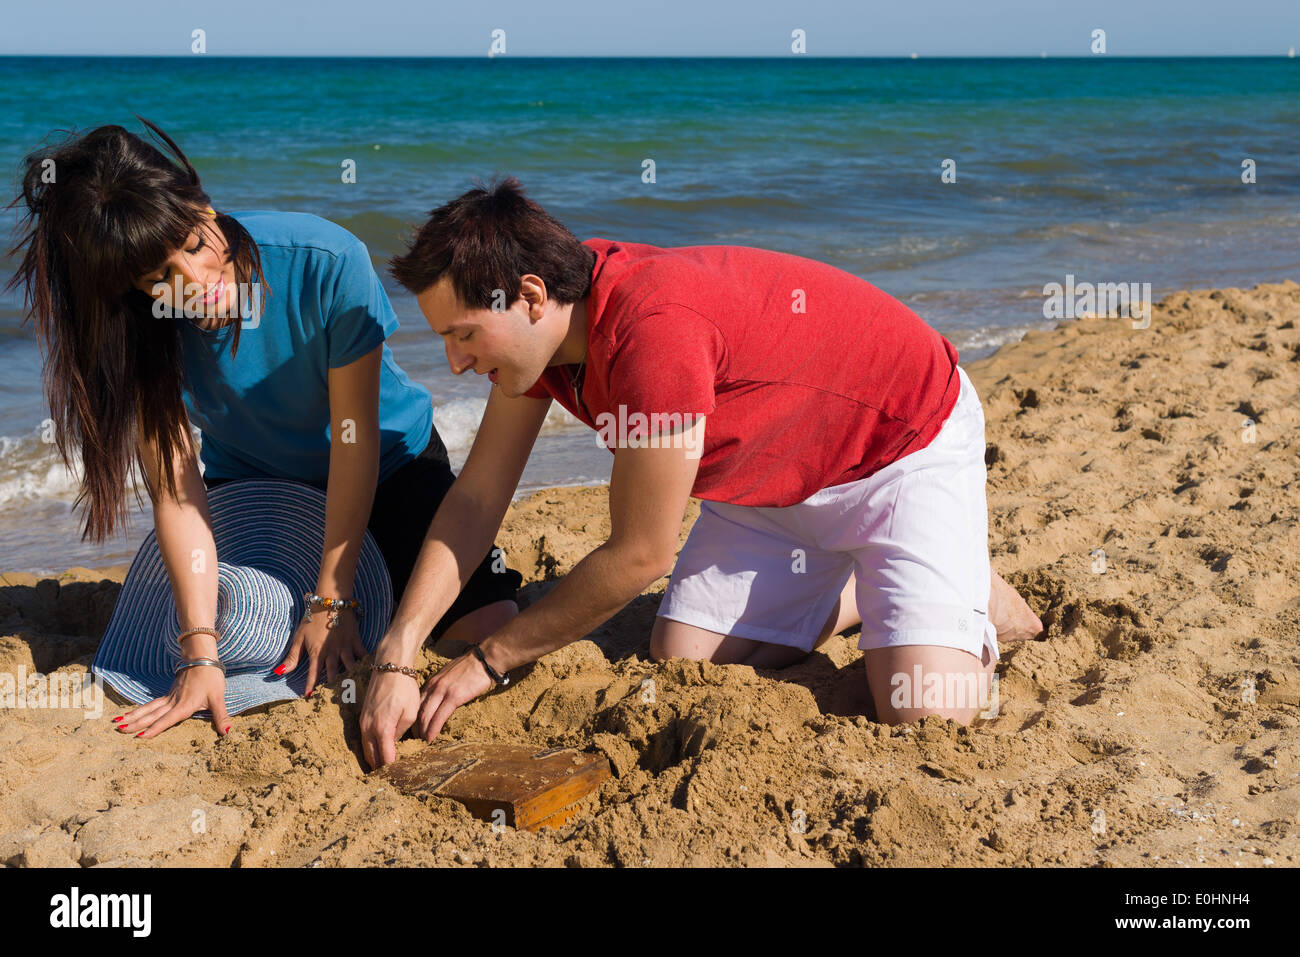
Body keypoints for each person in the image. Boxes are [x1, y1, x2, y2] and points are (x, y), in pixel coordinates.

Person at [358, 176, 1045, 768]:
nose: (454, 361)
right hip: (772, 484)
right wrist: (399, 650)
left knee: (922, 710)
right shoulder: (543, 343)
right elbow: (477, 498)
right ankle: (882, 580)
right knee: (683, 650)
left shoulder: (650, 330)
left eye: (463, 334)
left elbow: (640, 554)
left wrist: (489, 661)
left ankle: (960, 583)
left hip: (900, 450)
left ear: (531, 295)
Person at [6, 120, 522, 739]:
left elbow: (352, 444)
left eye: (196, 245)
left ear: (204, 204)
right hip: (257, 489)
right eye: (158, 277)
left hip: (385, 467)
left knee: (484, 624)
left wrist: (333, 599)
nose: (195, 283)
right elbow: (176, 489)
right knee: (243, 624)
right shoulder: (141, 328)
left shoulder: (325, 261)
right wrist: (200, 653)